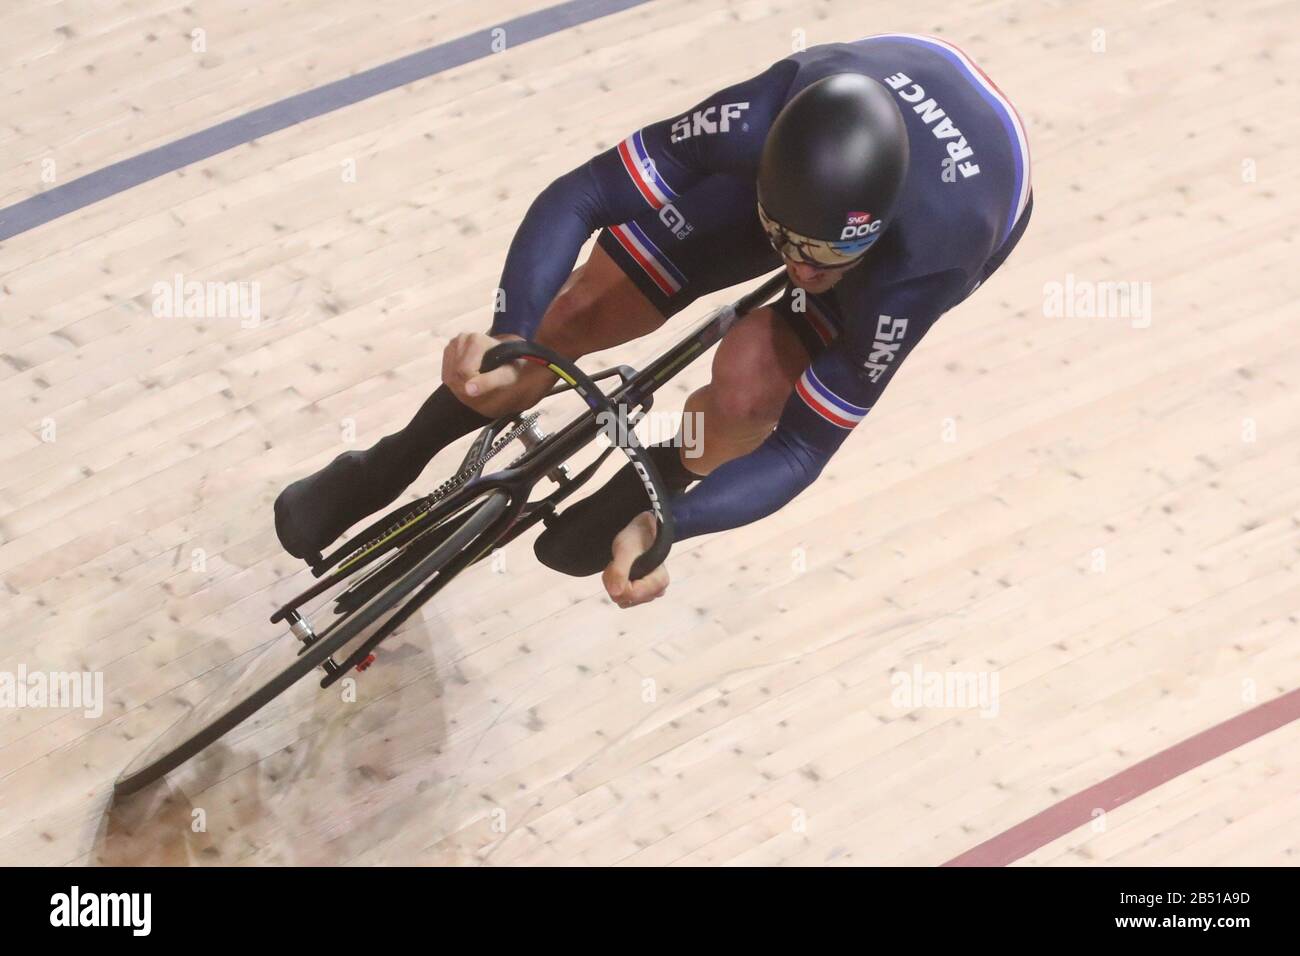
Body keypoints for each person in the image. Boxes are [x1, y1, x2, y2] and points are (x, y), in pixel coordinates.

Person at [274, 34, 1033, 610]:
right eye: (786, 244)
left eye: (825, 256)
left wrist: (670, 523)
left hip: (945, 214)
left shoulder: (926, 260)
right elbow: (584, 195)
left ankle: (665, 476)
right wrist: (512, 332)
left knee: (749, 392)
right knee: (573, 314)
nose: (800, 270)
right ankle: (390, 461)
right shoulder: (756, 120)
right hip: (814, 151)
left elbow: (804, 447)